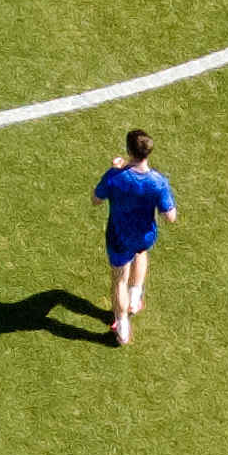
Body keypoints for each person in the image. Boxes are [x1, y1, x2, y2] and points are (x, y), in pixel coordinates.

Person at [92, 127, 174, 346]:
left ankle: (122, 326)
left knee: (119, 280)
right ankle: (135, 297)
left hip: (119, 237)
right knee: (141, 252)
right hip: (144, 235)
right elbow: (170, 216)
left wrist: (116, 171)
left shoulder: (115, 177)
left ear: (129, 150)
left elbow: (96, 199)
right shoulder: (159, 182)